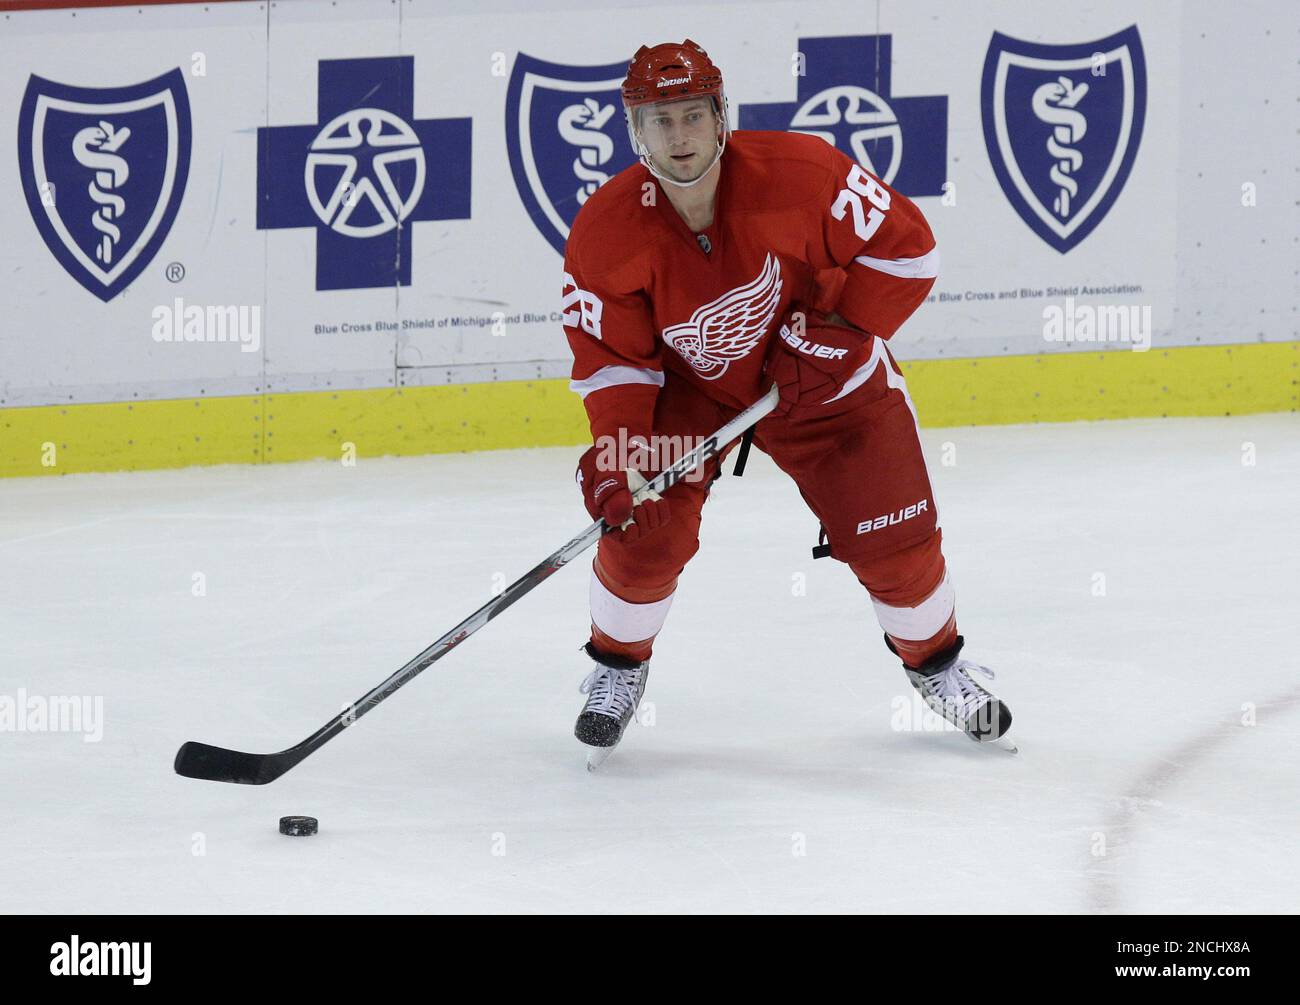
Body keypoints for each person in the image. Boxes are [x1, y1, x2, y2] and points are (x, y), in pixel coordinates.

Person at [562, 39, 1012, 759]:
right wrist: (618, 456)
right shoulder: (606, 229)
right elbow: (615, 361)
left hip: (826, 376)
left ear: (720, 118)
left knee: (893, 538)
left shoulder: (800, 174)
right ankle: (616, 669)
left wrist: (838, 335)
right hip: (690, 391)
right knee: (642, 532)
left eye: (691, 116)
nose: (678, 138)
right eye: (658, 121)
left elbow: (909, 252)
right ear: (634, 132)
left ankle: (940, 664)